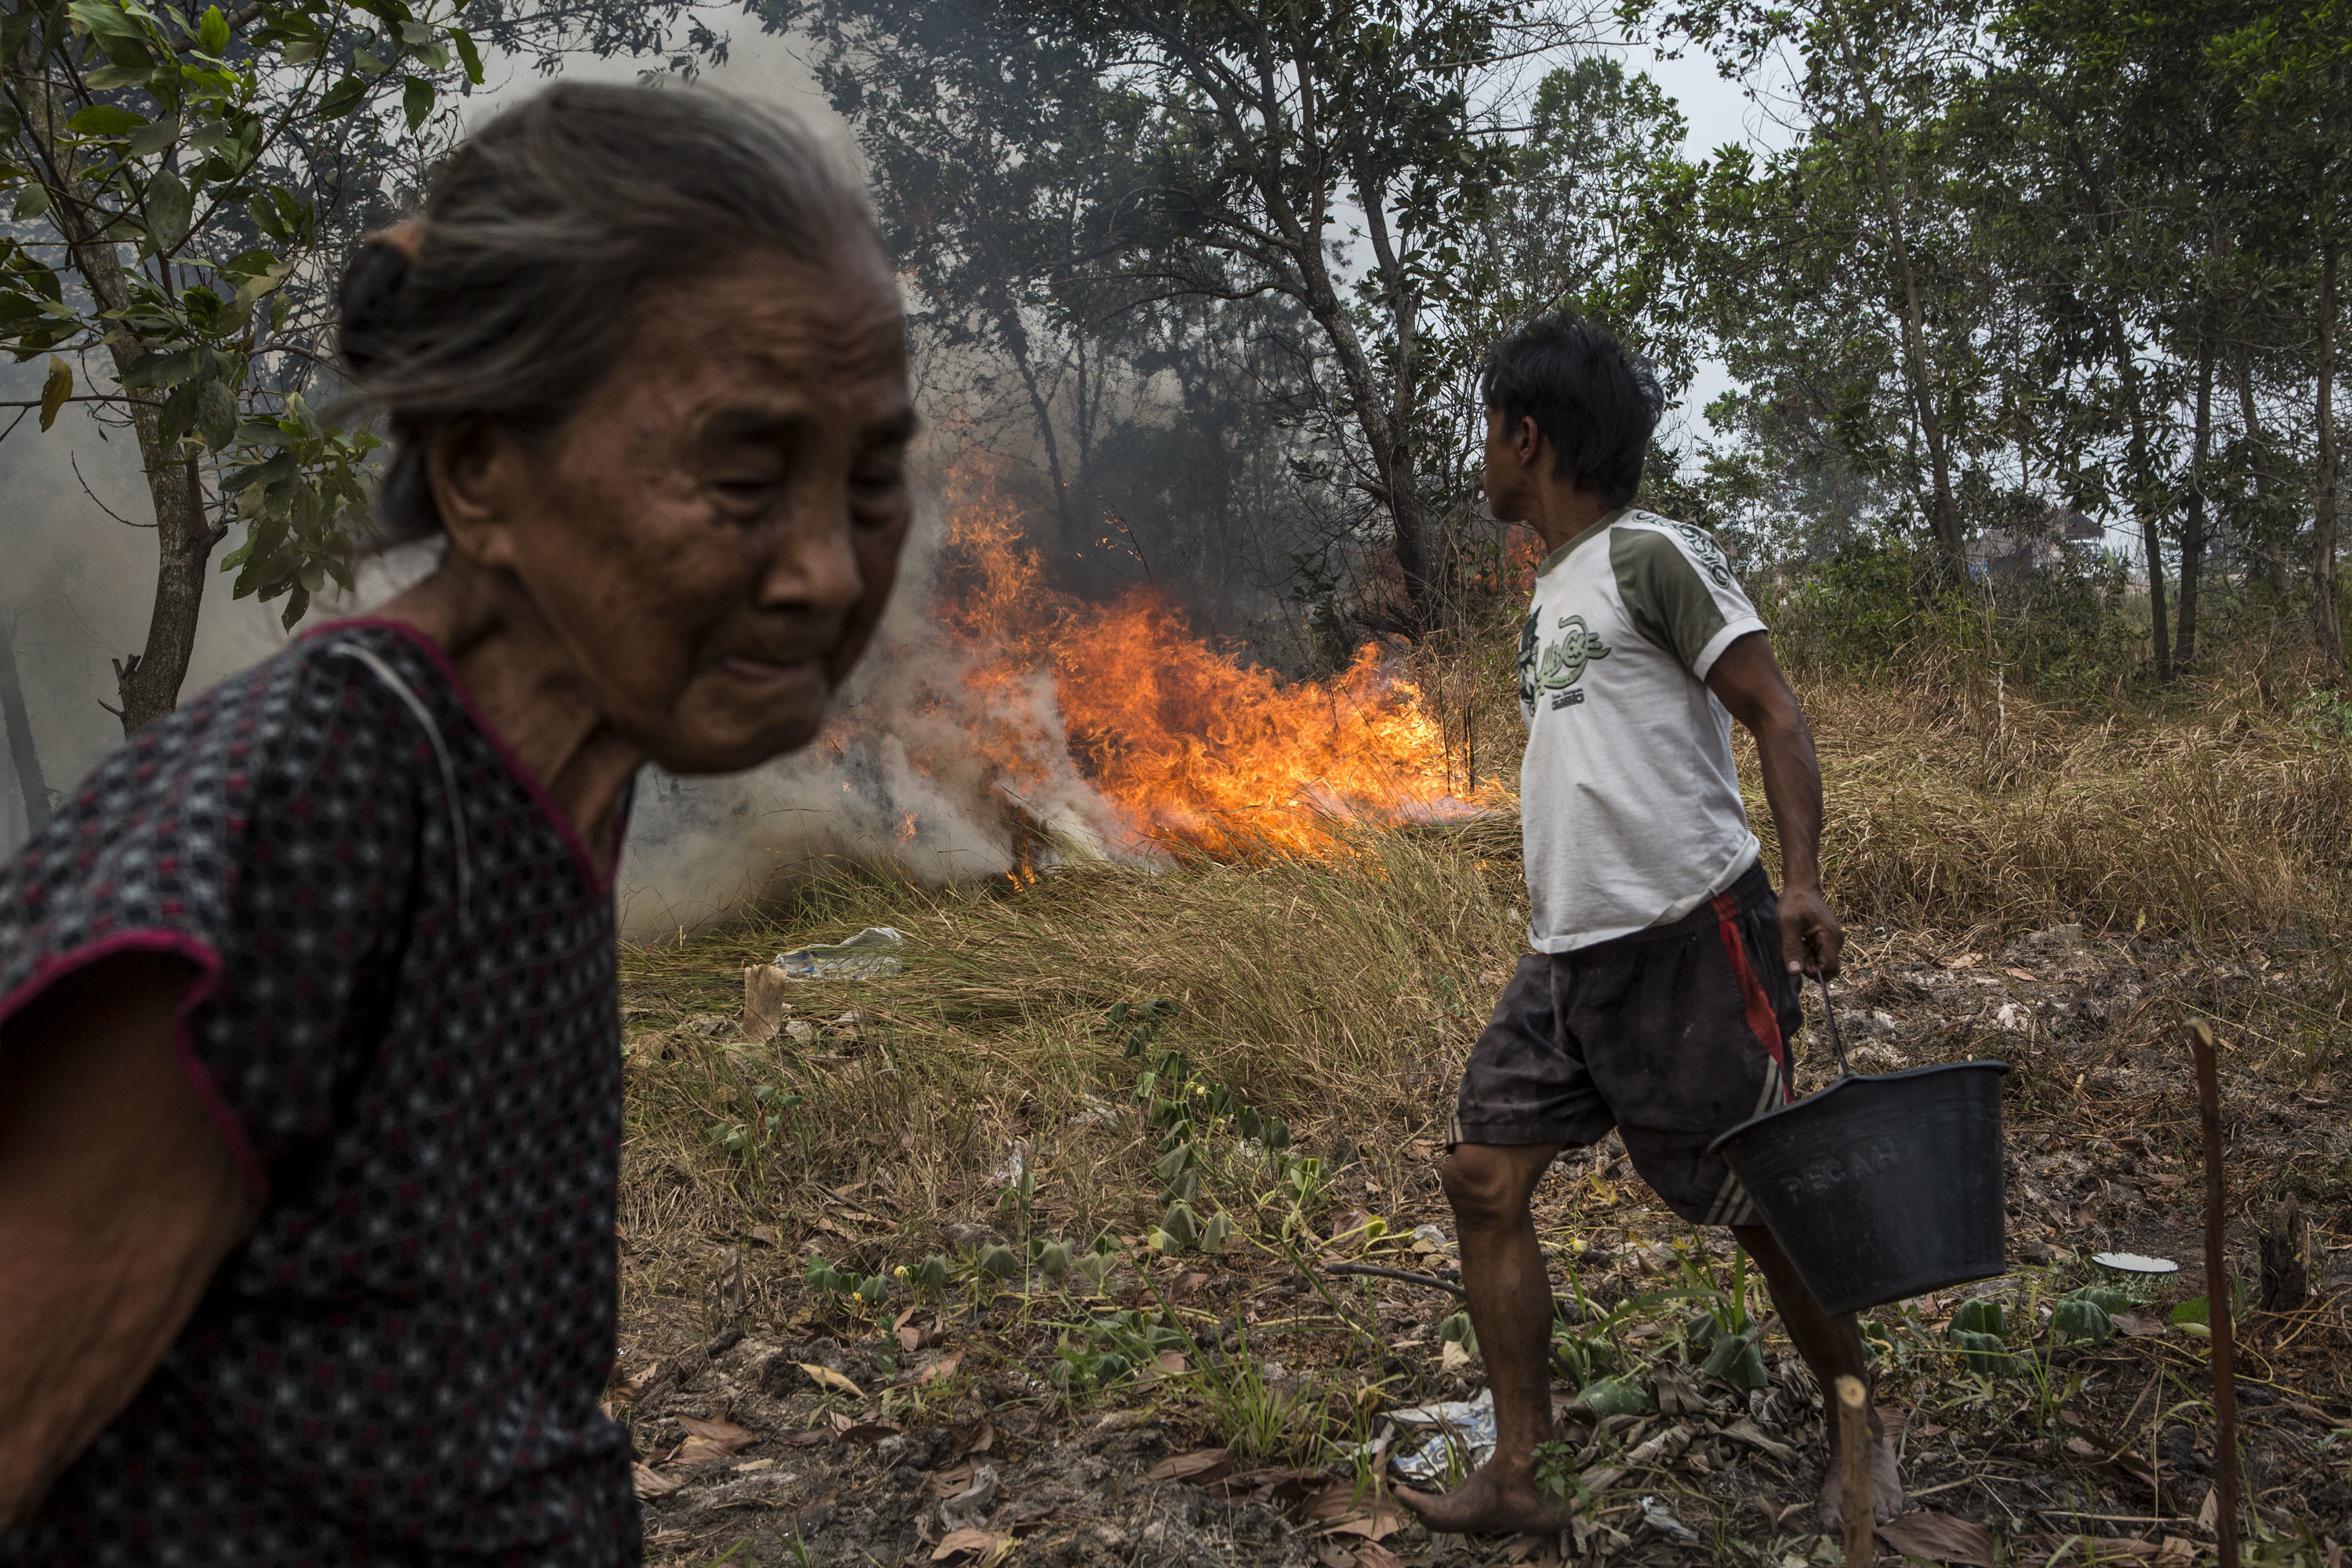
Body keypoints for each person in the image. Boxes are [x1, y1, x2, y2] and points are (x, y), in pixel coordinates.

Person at [0, 82, 914, 1563]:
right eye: (743, 478)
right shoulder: (306, 811)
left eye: (871, 476)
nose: (823, 566)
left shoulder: (554, 781)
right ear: (483, 469)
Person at [1391, 316, 1903, 1536]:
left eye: (1489, 430)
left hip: (1690, 944)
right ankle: (1522, 1478)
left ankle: (1867, 1446)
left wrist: (1804, 879)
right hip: (1568, 958)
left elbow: (1773, 711)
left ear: (1527, 434)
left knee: (1765, 1215)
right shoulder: (1553, 590)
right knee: (1483, 1176)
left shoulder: (1652, 554)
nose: (1483, 457)